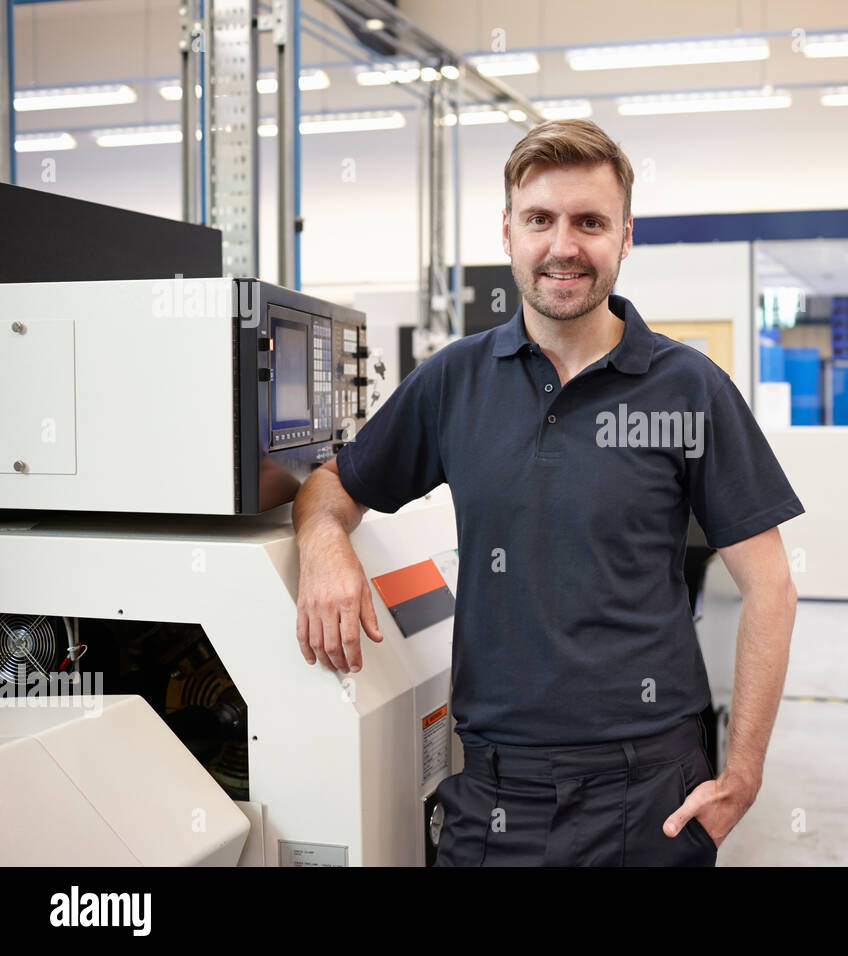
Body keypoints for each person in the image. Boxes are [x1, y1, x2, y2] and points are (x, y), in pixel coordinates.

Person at [292, 119, 803, 866]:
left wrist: (744, 775)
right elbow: (331, 485)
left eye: (590, 222)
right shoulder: (453, 380)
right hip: (494, 794)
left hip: (651, 791)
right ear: (508, 233)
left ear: (624, 238)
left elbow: (772, 589)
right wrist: (324, 543)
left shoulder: (689, 387)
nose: (564, 245)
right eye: (541, 220)